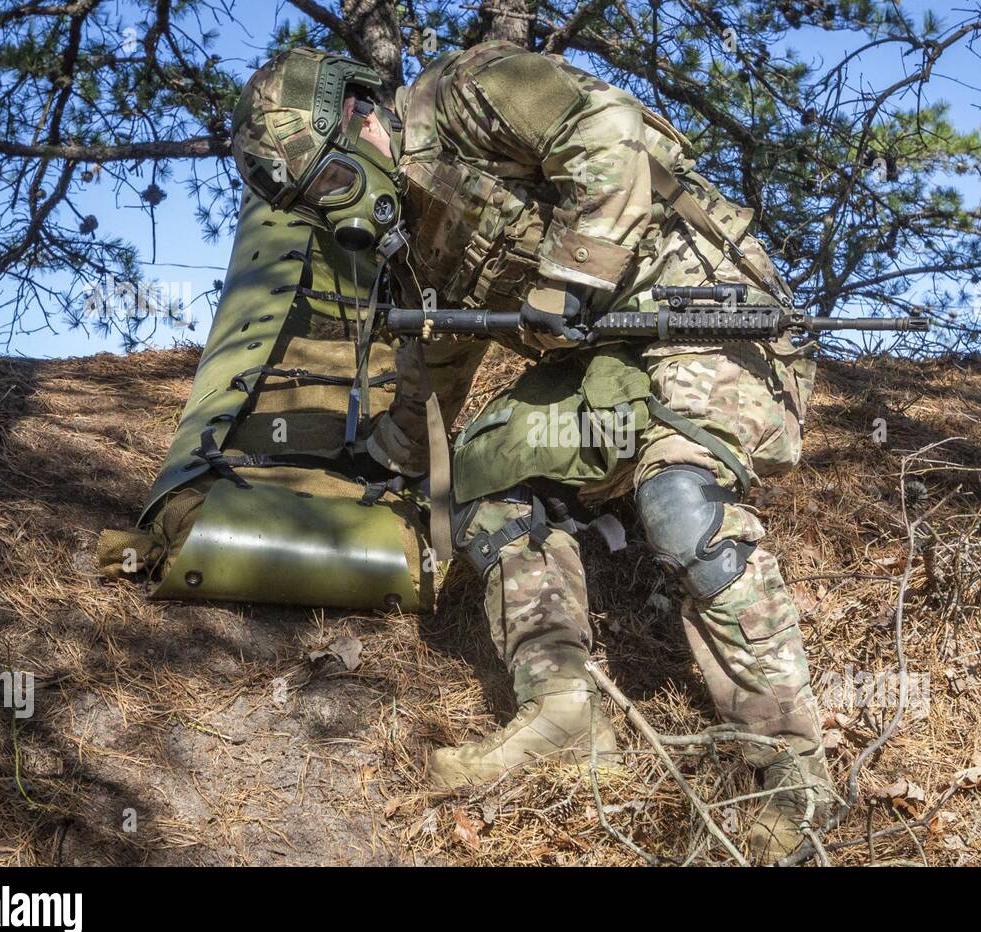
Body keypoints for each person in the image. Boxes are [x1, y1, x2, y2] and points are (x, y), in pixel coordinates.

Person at [231, 40, 834, 862]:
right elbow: (434, 363)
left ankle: (792, 774)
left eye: (334, 182)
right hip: (602, 367)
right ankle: (566, 714)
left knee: (680, 500)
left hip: (713, 316)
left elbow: (609, 131)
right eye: (316, 205)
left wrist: (567, 279)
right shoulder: (403, 233)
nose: (339, 212)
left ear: (360, 117)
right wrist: (388, 456)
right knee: (482, 484)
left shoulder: (468, 92)